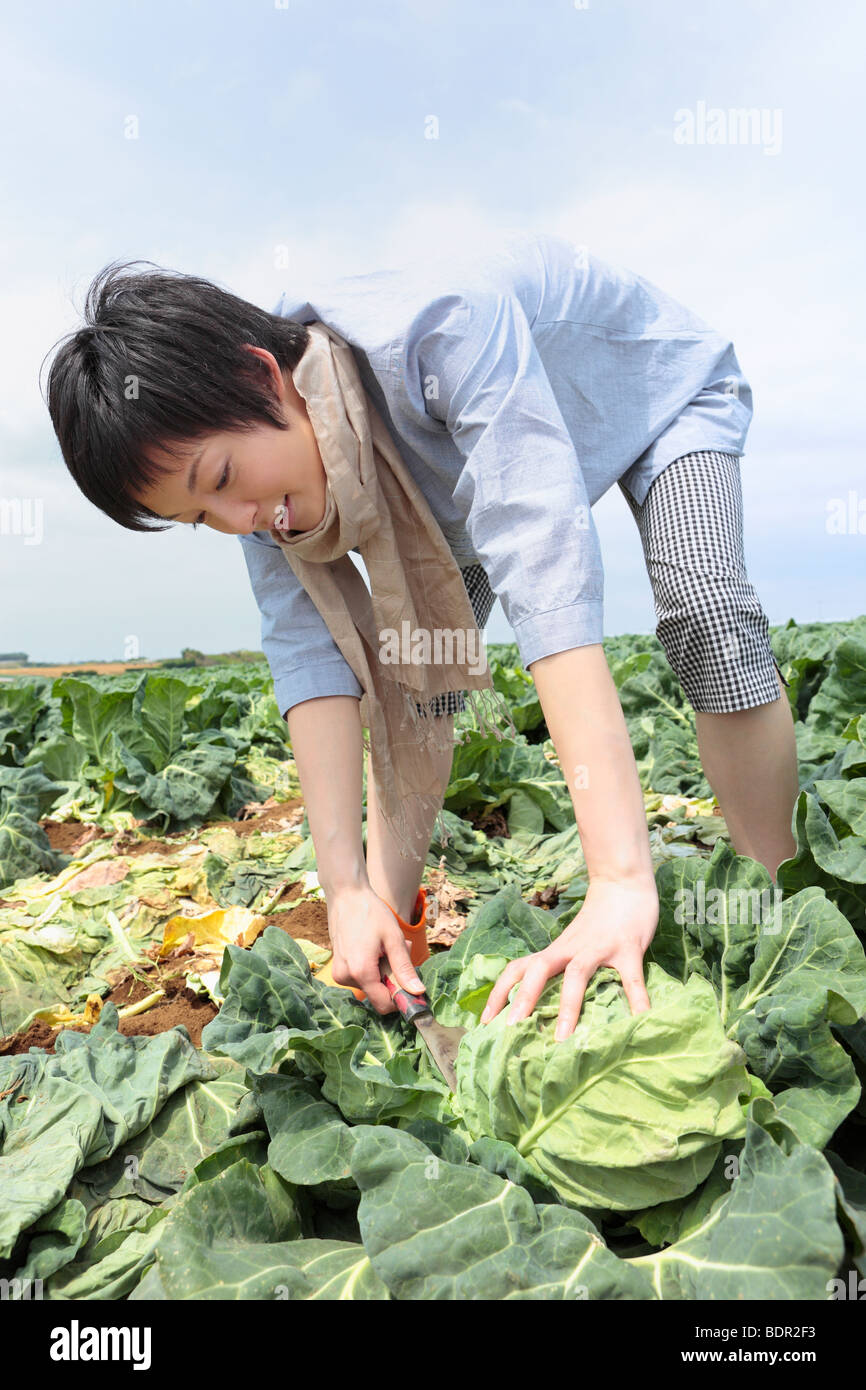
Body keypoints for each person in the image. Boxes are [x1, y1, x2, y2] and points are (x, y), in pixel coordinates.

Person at [42, 231, 799, 1042]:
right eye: (199, 519)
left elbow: (544, 567)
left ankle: (773, 896)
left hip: (658, 401)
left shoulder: (441, 327)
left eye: (222, 480)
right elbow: (310, 661)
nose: (241, 522)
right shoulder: (260, 495)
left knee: (705, 613)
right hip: (468, 484)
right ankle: (391, 927)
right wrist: (346, 894)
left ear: (262, 375)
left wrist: (617, 876)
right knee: (421, 675)